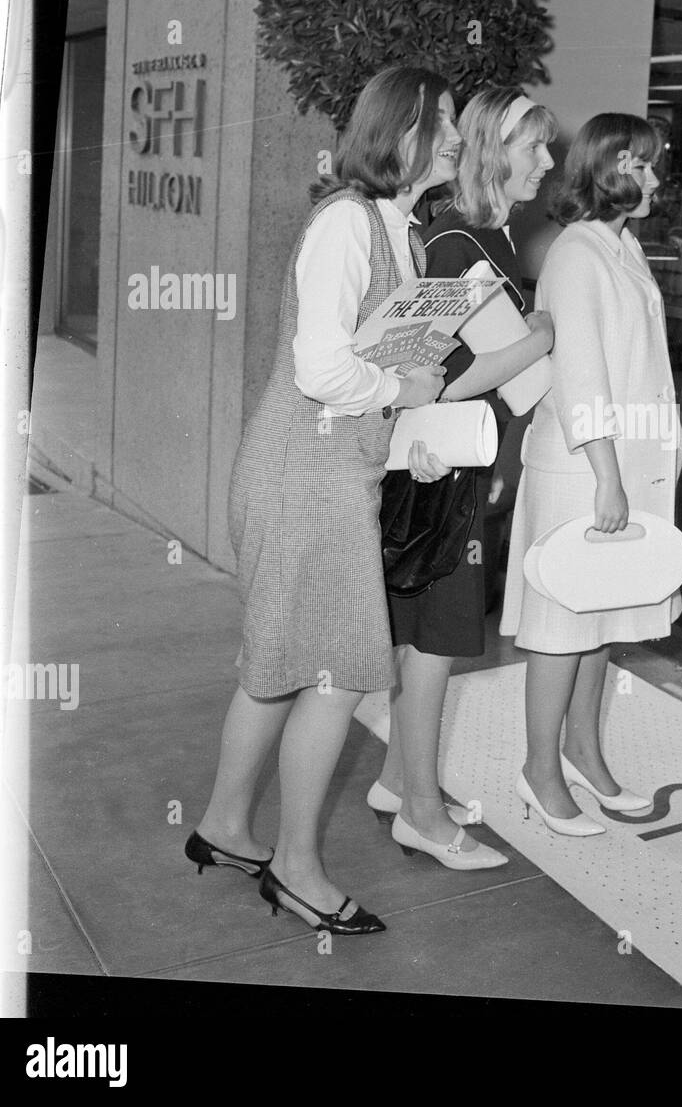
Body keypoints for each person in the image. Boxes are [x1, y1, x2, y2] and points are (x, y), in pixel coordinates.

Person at [186, 64, 459, 934]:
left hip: (325, 471)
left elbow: (375, 368)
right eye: (445, 122)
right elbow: (321, 369)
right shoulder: (346, 224)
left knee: (280, 663)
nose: (455, 138)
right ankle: (297, 869)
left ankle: (227, 826)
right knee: (337, 671)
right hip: (306, 475)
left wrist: (403, 408)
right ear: (405, 133)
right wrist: (400, 391)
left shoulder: (393, 228)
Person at [369, 87, 557, 869]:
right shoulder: (459, 243)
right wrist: (541, 334)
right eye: (533, 146)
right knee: (437, 643)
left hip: (458, 463)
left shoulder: (489, 238)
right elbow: (438, 380)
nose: (547, 161)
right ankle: (420, 812)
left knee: (428, 639)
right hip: (438, 468)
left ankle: (396, 782)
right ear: (491, 150)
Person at [500, 112, 682, 835]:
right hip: (583, 468)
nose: (656, 177)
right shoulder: (578, 253)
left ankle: (583, 751)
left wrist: (663, 448)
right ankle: (539, 770)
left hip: (621, 462)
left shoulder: (621, 245)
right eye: (643, 164)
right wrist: (608, 475)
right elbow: (578, 375)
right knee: (561, 624)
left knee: (601, 619)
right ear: (610, 169)